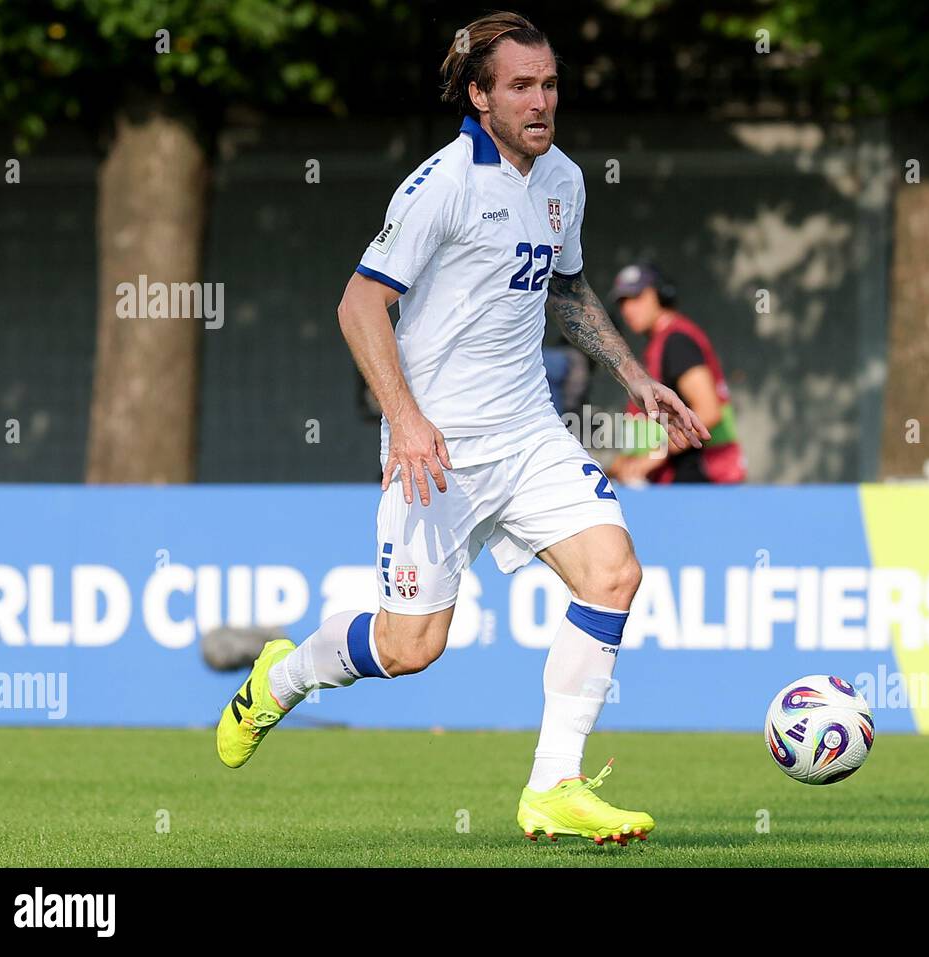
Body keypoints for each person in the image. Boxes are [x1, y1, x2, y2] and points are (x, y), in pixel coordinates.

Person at [214, 11, 708, 846]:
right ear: (480, 96)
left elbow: (567, 293)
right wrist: (405, 419)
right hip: (435, 451)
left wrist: (636, 377)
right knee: (412, 648)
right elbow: (359, 301)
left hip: (529, 434)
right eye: (520, 86)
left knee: (614, 572)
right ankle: (282, 676)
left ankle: (553, 784)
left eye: (549, 84)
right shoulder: (441, 184)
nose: (540, 100)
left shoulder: (564, 181)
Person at [606, 263, 746, 485]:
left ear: (661, 294)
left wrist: (651, 459)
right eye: (623, 302)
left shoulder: (677, 342)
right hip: (677, 482)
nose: (628, 309)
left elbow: (708, 411)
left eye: (637, 296)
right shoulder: (659, 344)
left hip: (700, 481)